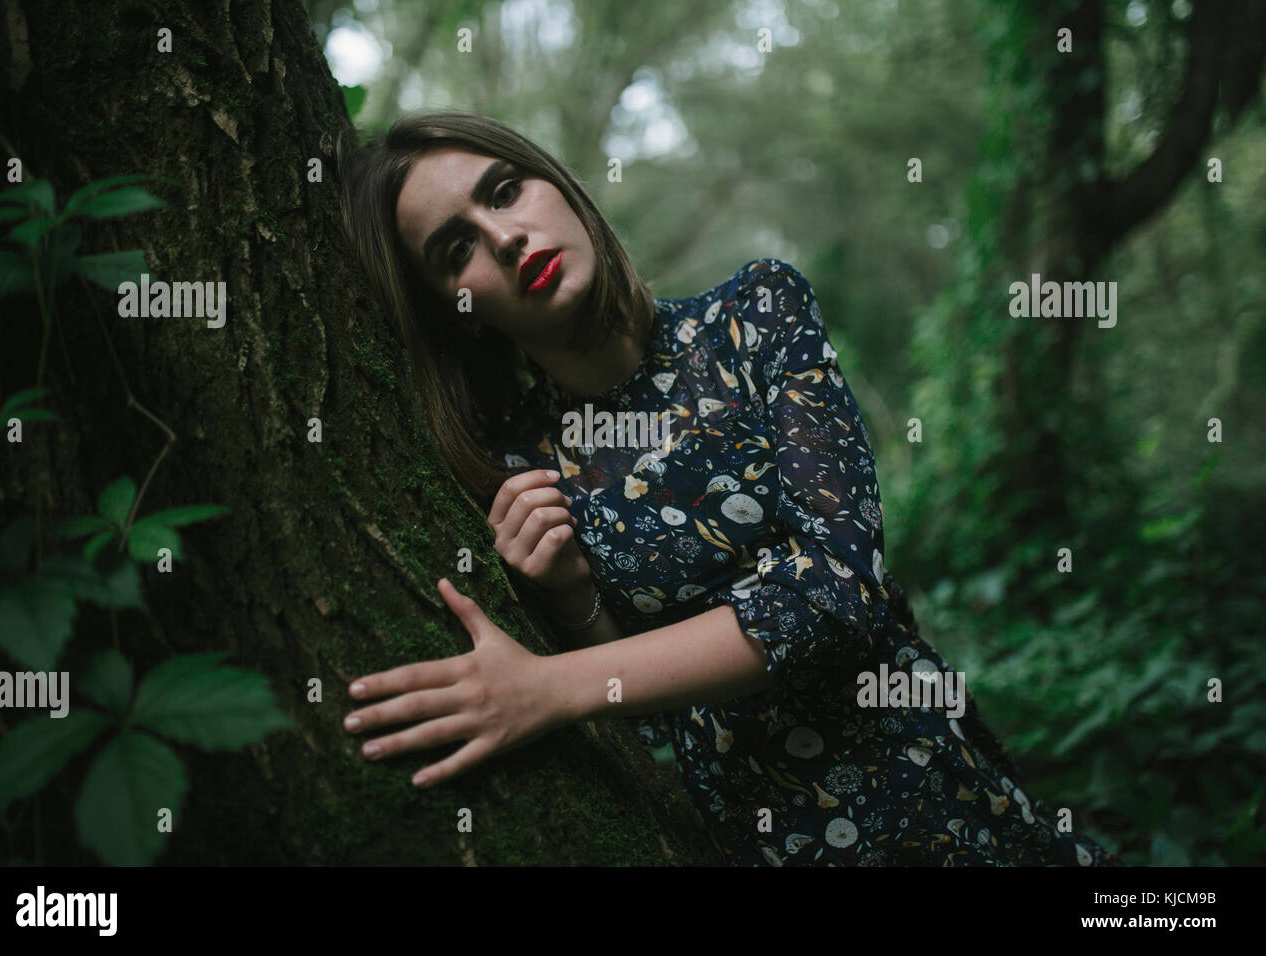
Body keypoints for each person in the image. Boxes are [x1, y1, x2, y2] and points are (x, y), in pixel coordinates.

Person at [334, 109, 1126, 866]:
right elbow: (641, 710)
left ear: (561, 187)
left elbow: (838, 590)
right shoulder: (512, 470)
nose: (505, 238)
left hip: (937, 798)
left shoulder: (754, 316)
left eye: (505, 191)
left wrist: (544, 688)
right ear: (458, 310)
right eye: (455, 249)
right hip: (761, 841)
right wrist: (573, 596)